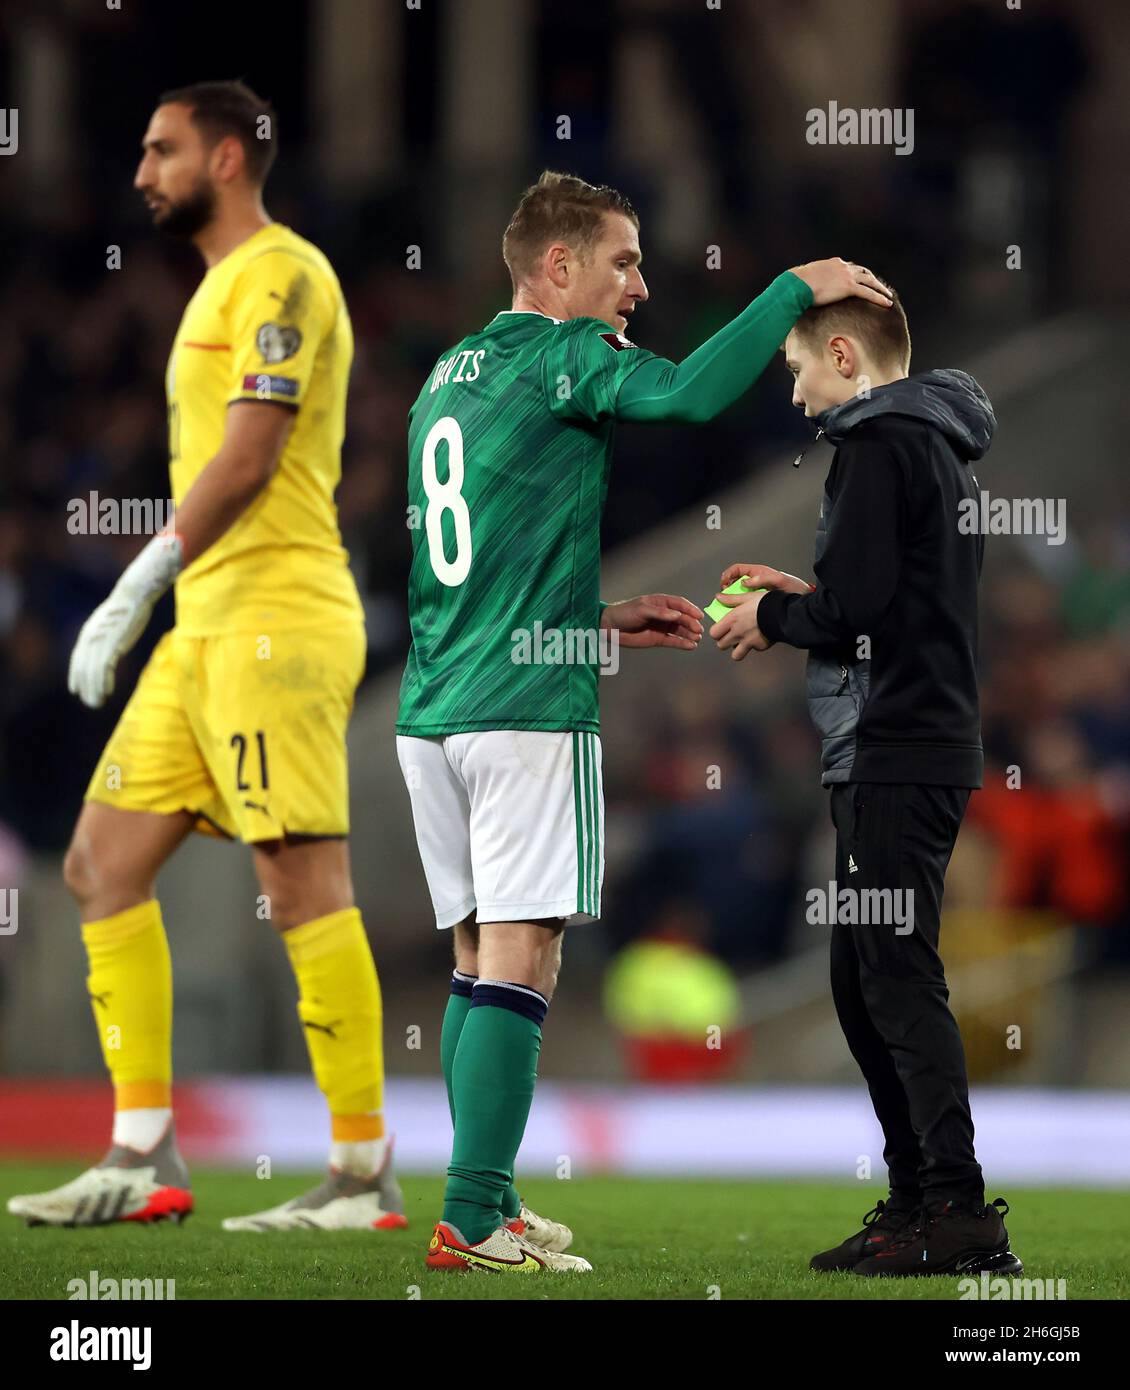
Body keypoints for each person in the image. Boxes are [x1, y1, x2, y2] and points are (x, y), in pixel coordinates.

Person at [397, 168, 892, 1273]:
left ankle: (489, 1198)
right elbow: (685, 397)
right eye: (621, 262)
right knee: (524, 952)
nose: (637, 285)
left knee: (480, 955)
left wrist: (596, 615)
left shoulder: (448, 374)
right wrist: (786, 292)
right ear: (557, 267)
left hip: (433, 708)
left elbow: (467, 564)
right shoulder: (563, 353)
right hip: (522, 712)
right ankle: (473, 1214)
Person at [8, 81, 405, 1234]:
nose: (142, 170)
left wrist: (137, 580)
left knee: (299, 886)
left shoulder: (282, 272)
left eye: (162, 148)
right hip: (209, 627)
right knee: (99, 861)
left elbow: (250, 453)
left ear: (227, 157)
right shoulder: (214, 291)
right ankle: (140, 1153)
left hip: (275, 612)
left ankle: (361, 1171)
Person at [710, 283, 1023, 1277]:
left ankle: (956, 1210)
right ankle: (917, 1202)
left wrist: (773, 621)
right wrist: (810, 599)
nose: (798, 397)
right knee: (863, 979)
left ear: (841, 354)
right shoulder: (931, 446)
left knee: (891, 975)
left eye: (799, 369)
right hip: (913, 742)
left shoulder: (877, 444)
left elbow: (858, 614)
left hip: (895, 749)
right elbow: (886, 602)